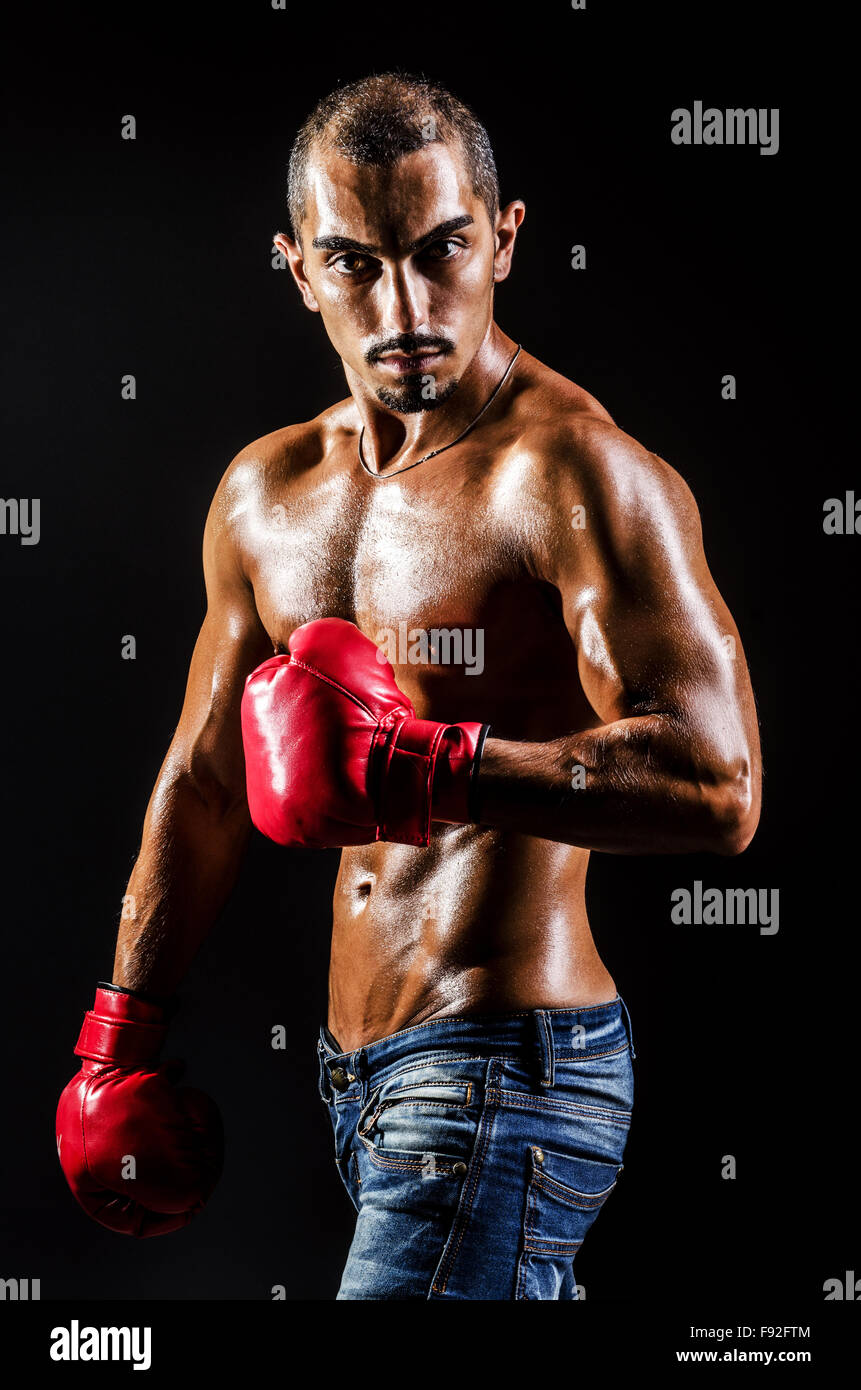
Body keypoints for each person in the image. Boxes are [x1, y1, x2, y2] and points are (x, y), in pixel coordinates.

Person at [56, 71, 761, 1299]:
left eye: (442, 252)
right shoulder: (265, 497)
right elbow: (206, 780)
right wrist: (124, 1029)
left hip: (506, 1067)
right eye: (355, 265)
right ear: (297, 270)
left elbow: (719, 781)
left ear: (505, 237)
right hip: (353, 1078)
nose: (405, 307)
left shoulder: (570, 476)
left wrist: (433, 765)